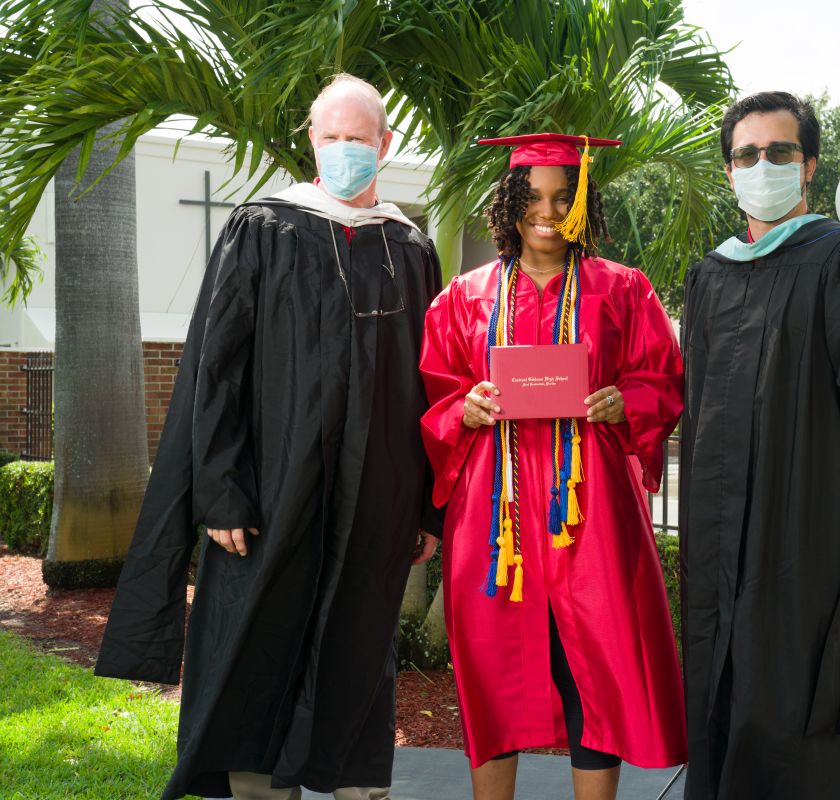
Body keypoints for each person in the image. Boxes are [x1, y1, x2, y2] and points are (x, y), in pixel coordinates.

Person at [94, 74, 443, 800]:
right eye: (332, 138)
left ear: (386, 144)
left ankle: (354, 782)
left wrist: (425, 508)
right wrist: (221, 490)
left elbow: (428, 383)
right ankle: (259, 787)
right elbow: (216, 366)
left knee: (357, 639)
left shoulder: (408, 247)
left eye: (360, 138)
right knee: (260, 632)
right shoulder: (266, 227)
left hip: (378, 494)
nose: (347, 150)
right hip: (269, 489)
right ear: (313, 142)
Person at [419, 133, 687, 800]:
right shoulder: (464, 296)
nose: (547, 211)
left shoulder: (623, 289)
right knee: (491, 666)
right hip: (494, 516)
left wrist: (627, 400)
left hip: (590, 512)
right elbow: (432, 395)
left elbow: (664, 381)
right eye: (531, 198)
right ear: (509, 204)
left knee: (590, 665)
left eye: (563, 198)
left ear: (583, 206)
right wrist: (465, 410)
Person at [679, 92, 840, 799]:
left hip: (804, 538)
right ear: (729, 172)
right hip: (716, 535)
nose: (763, 165)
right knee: (719, 689)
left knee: (792, 699)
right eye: (746, 154)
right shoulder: (711, 275)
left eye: (779, 152)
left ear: (809, 164)